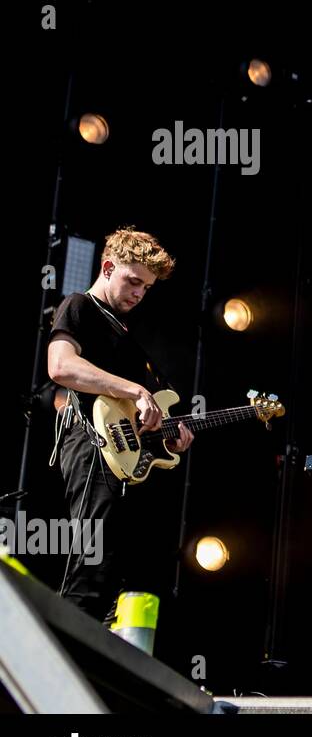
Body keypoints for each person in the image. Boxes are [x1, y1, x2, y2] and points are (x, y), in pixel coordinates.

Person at [46, 227, 192, 621]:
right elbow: (60, 365)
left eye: (146, 288)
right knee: (91, 569)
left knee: (121, 578)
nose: (139, 293)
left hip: (126, 462)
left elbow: (147, 416)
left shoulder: (126, 335)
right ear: (108, 267)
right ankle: (59, 668)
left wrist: (171, 438)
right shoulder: (79, 306)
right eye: (133, 281)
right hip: (92, 446)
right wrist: (134, 390)